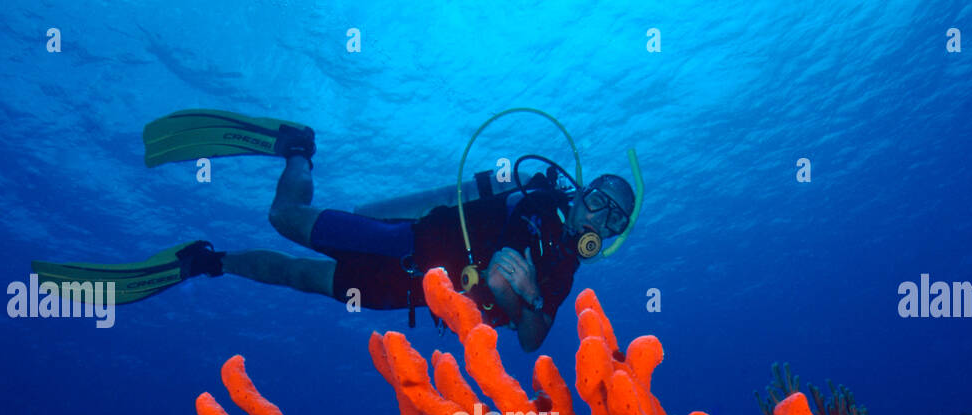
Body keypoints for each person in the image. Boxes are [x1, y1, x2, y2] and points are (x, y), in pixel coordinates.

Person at [33, 110, 637, 352]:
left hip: (403, 295)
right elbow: (442, 196)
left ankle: (208, 261)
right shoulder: (529, 193)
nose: (600, 217)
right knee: (285, 220)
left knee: (297, 276)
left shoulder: (565, 269)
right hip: (404, 241)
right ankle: (298, 149)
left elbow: (534, 339)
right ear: (581, 192)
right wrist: (370, 214)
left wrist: (523, 293)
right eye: (600, 199)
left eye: (615, 217)